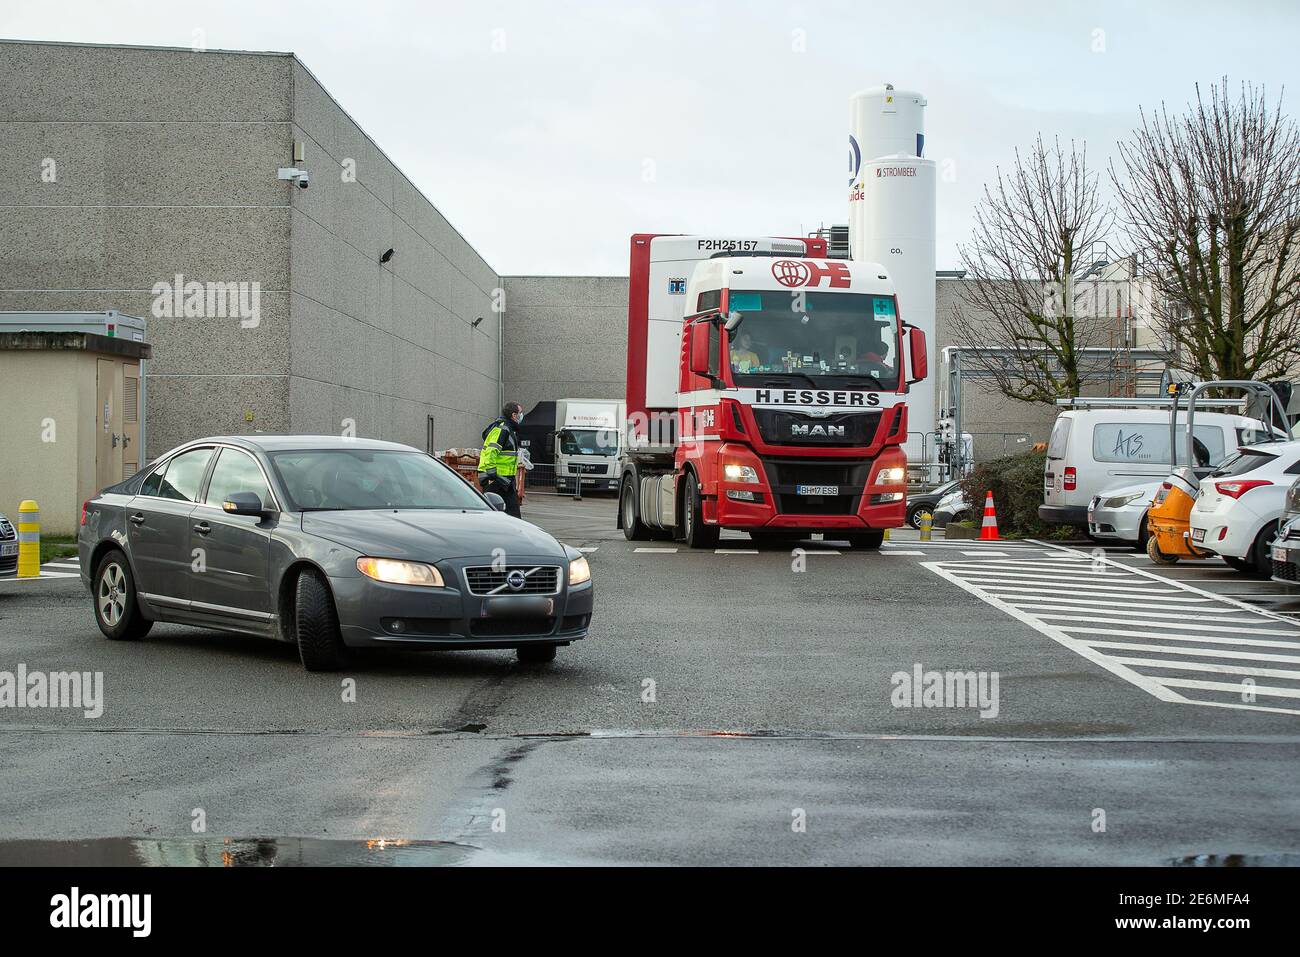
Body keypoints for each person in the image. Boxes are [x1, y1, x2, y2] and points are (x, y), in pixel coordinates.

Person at [477, 402, 524, 517]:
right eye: (520, 413)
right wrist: (492, 472)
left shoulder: (508, 429)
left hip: (505, 481)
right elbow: (491, 451)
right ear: (513, 415)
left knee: (513, 515)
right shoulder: (503, 429)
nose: (521, 416)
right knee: (492, 514)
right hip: (496, 479)